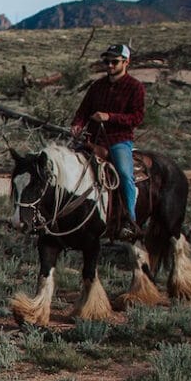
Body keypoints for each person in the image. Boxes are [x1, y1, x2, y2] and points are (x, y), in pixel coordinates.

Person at [71, 43, 146, 240]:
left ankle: (130, 220)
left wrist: (109, 117)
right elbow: (83, 111)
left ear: (126, 62)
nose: (110, 65)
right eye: (107, 61)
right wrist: (77, 124)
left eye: (115, 61)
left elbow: (137, 117)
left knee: (124, 173)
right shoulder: (97, 86)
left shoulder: (135, 87)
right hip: (93, 139)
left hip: (118, 140)